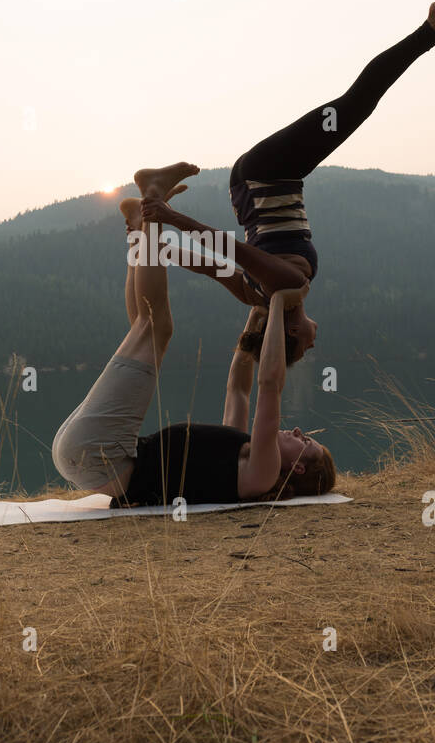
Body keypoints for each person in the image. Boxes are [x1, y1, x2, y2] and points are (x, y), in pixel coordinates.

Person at [140, 0, 435, 364]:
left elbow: (229, 249)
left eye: (304, 349)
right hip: (259, 180)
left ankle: (433, 28)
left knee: (357, 102)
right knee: (356, 105)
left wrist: (170, 217)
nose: (313, 345)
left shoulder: (287, 287)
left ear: (293, 334)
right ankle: (153, 184)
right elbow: (193, 260)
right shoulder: (253, 295)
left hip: (267, 174)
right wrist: (144, 231)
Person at [51, 163, 336, 507]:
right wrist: (257, 314)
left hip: (100, 454)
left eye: (305, 442)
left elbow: (269, 386)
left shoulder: (261, 475)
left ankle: (151, 199)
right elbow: (239, 387)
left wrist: (277, 305)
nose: (296, 432)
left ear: (299, 470)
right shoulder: (240, 451)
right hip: (90, 452)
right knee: (144, 327)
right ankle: (140, 232)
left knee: (155, 328)